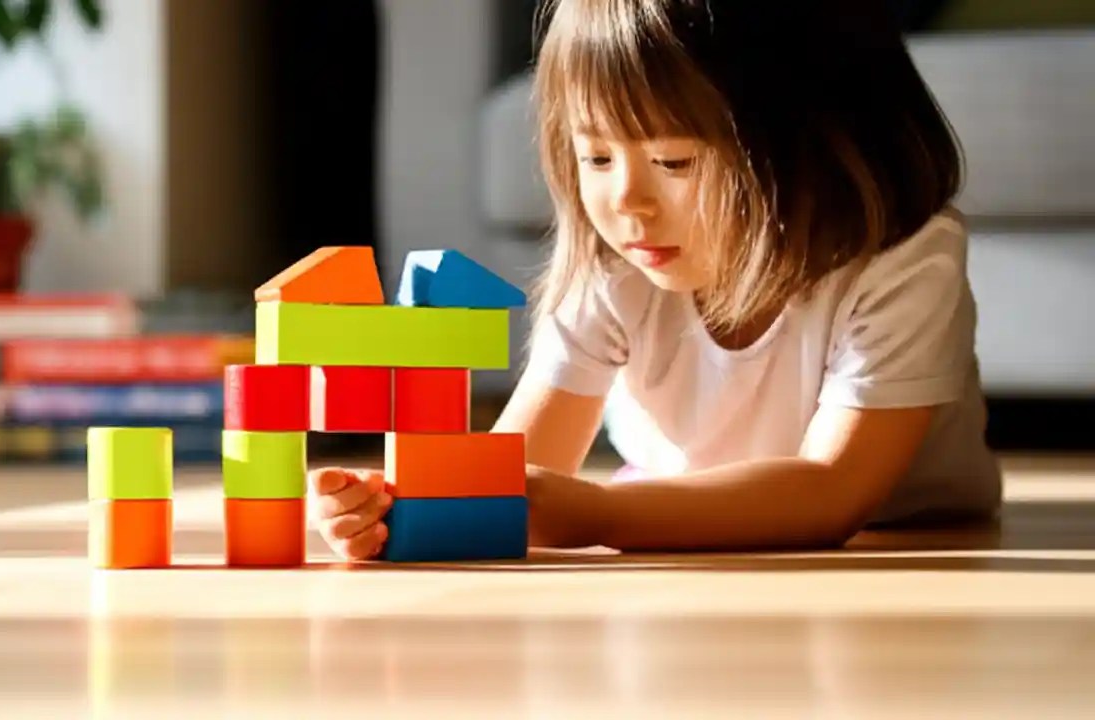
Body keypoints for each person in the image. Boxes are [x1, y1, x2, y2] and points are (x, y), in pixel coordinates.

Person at [310, 0, 1002, 560]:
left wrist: (601, 512)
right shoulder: (619, 266)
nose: (627, 203)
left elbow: (833, 493)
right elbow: (511, 469)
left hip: (904, 527)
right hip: (672, 507)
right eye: (597, 157)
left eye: (674, 163)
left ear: (822, 144)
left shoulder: (902, 260)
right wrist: (397, 510)